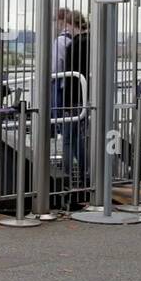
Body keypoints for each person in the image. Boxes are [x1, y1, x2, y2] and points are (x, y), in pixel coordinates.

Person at [61, 10, 90, 180]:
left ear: (72, 25)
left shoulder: (75, 45)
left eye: (67, 25)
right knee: (78, 136)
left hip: (73, 97)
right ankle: (85, 172)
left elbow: (70, 74)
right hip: (86, 96)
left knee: (67, 139)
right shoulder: (92, 42)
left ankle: (64, 177)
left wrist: (67, 100)